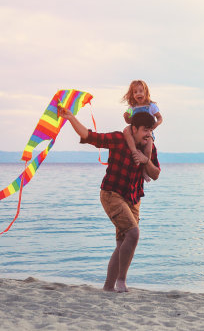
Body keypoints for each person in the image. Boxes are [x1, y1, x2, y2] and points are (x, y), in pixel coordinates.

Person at [58, 106, 160, 293]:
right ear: (134, 128)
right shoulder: (119, 139)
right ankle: (121, 282)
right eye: (145, 130)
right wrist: (71, 117)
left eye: (151, 130)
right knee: (134, 234)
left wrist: (146, 160)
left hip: (134, 198)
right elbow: (91, 137)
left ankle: (108, 287)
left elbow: (156, 174)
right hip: (112, 194)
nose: (148, 134)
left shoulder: (149, 147)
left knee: (123, 244)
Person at [121, 80, 163, 176]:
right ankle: (134, 152)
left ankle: (145, 167)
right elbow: (129, 121)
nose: (138, 94)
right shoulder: (132, 107)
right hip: (135, 129)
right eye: (135, 92)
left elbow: (160, 118)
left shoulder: (151, 106)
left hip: (147, 131)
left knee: (148, 148)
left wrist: (156, 124)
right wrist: (126, 117)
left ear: (146, 92)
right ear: (132, 95)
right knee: (126, 130)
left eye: (140, 91)